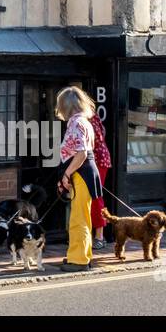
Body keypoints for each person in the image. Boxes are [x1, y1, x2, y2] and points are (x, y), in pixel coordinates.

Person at [54, 85, 103, 269]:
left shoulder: (76, 123)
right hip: (84, 171)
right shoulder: (84, 121)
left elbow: (81, 153)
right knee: (82, 216)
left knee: (78, 218)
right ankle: (82, 255)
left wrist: (66, 174)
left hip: (80, 172)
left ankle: (79, 260)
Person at [90, 112, 112, 250]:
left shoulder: (87, 118)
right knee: (93, 197)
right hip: (98, 159)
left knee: (95, 197)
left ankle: (99, 236)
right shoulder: (93, 116)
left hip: (96, 160)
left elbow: (92, 141)